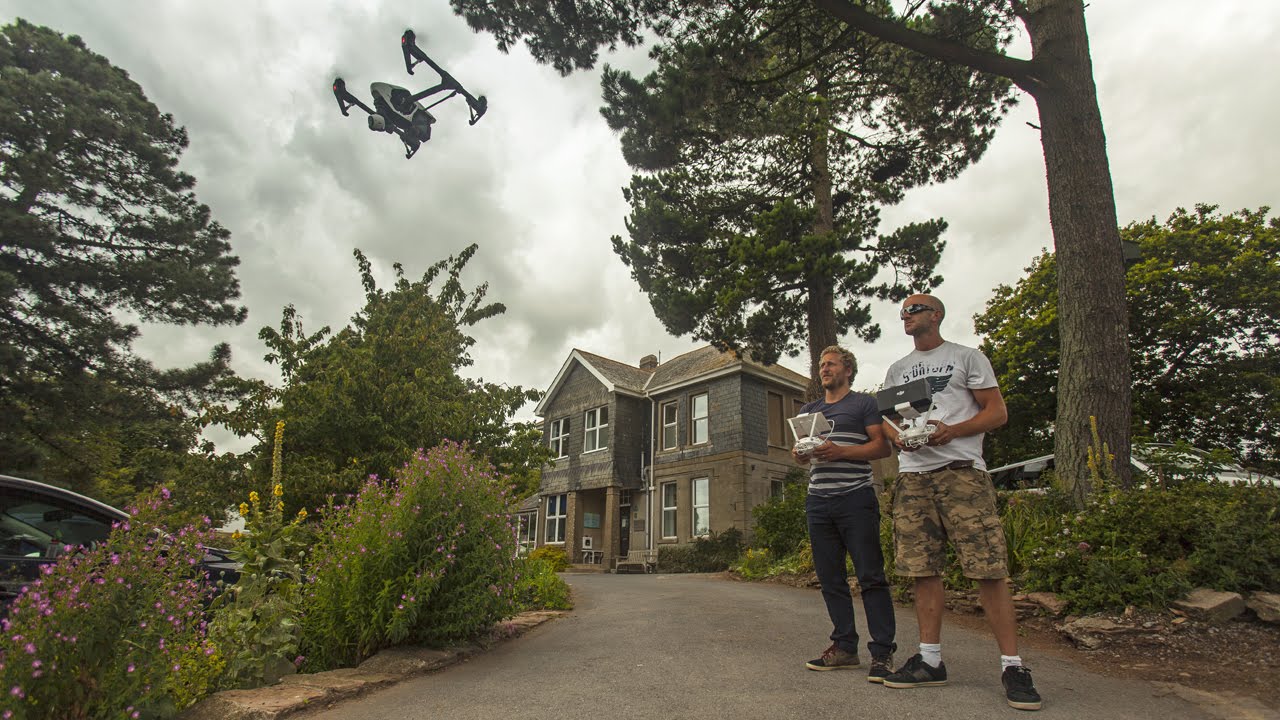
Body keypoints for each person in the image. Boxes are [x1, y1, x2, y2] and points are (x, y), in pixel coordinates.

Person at [879, 294, 1042, 711]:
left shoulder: (967, 357)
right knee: (922, 570)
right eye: (902, 312)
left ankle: (1013, 666)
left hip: (961, 472)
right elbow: (888, 417)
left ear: (936, 314)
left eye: (913, 310)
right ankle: (930, 661)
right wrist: (897, 436)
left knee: (988, 568)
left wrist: (952, 431)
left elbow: (997, 413)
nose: (906, 316)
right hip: (913, 478)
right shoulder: (897, 369)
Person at [793, 345, 897, 683]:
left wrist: (841, 452)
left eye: (831, 364)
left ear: (847, 370)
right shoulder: (810, 409)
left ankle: (882, 653)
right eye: (821, 365)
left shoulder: (864, 403)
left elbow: (881, 447)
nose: (824, 369)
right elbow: (804, 455)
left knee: (871, 576)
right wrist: (800, 455)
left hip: (856, 498)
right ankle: (844, 647)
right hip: (818, 500)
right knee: (830, 579)